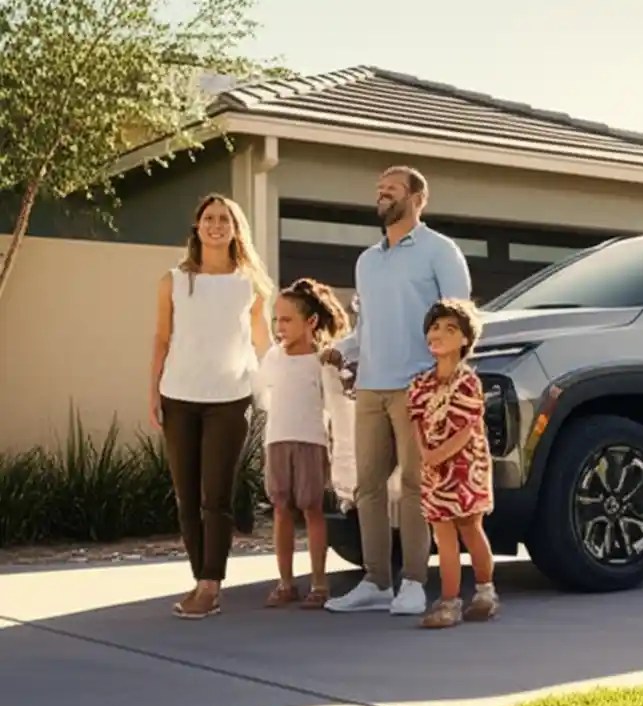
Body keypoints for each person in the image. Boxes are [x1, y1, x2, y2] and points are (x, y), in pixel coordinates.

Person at [322, 166, 473, 615]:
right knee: (367, 486)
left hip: (420, 386)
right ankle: (376, 582)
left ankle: (413, 582)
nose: (382, 195)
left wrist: (446, 381)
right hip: (371, 387)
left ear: (417, 199)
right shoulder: (367, 261)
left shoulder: (440, 251)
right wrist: (341, 350)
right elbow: (366, 327)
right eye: (379, 190)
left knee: (413, 486)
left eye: (392, 189)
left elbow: (461, 319)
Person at [150, 193, 273, 620]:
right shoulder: (173, 281)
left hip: (229, 400)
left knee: (216, 497)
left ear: (236, 230)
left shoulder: (249, 284)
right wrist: (152, 393)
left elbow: (262, 342)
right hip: (178, 397)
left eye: (225, 219)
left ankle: (210, 586)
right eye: (209, 218)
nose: (216, 225)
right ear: (197, 226)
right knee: (186, 498)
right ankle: (199, 577)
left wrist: (279, 385)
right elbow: (161, 339)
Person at [254, 278, 354, 610]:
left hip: (312, 441)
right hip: (277, 440)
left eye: (287, 319)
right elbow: (264, 394)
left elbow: (336, 405)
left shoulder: (322, 362)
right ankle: (285, 583)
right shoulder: (274, 357)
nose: (279, 327)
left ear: (310, 321)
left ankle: (319, 584)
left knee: (312, 508)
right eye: (276, 320)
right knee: (281, 508)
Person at [409, 299, 498, 629]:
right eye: (434, 328)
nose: (439, 334)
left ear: (464, 339)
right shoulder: (420, 384)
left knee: (469, 526)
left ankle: (485, 592)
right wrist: (426, 455)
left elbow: (466, 429)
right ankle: (450, 601)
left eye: (450, 329)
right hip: (434, 469)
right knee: (442, 531)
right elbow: (417, 422)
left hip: (464, 467)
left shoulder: (468, 383)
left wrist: (438, 455)